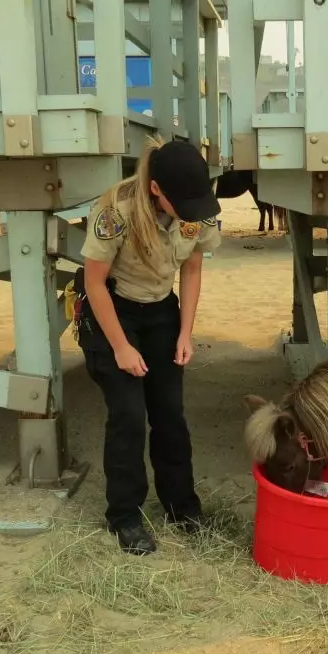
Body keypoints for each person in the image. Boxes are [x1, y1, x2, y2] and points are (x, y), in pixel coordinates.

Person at [74, 137, 222, 555]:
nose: (192, 211)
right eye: (183, 202)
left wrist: (184, 333)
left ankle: (181, 506)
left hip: (161, 310)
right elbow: (93, 284)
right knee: (128, 415)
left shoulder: (195, 208)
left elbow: (192, 269)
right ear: (156, 189)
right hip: (113, 310)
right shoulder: (115, 211)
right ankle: (124, 516)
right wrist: (120, 347)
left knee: (170, 414)